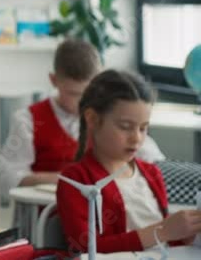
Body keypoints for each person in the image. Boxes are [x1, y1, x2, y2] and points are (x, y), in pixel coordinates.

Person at [57, 70, 201, 253]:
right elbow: (86, 248)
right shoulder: (77, 180)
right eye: (125, 127)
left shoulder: (151, 173)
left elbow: (166, 243)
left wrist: (187, 233)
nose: (136, 138)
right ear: (92, 119)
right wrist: (163, 230)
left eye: (143, 128)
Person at [0, 38, 164, 195]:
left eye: (88, 92)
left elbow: (154, 163)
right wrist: (73, 180)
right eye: (73, 94)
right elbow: (7, 180)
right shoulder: (29, 119)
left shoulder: (109, 116)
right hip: (43, 217)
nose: (82, 102)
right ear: (54, 80)